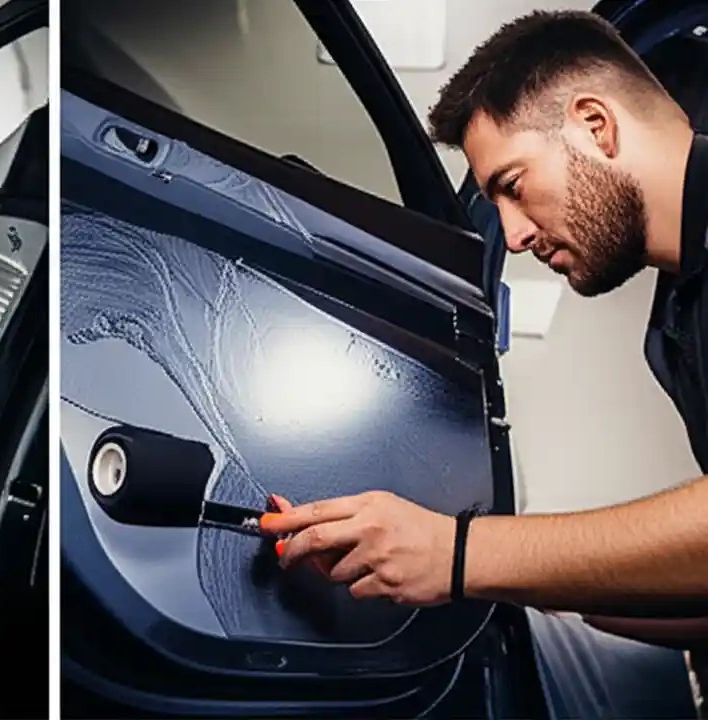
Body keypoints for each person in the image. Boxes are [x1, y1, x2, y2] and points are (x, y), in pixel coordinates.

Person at [260, 10, 708, 634]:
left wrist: (461, 554)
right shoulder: (677, 316)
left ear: (595, 125)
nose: (516, 235)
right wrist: (523, 580)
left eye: (514, 185)